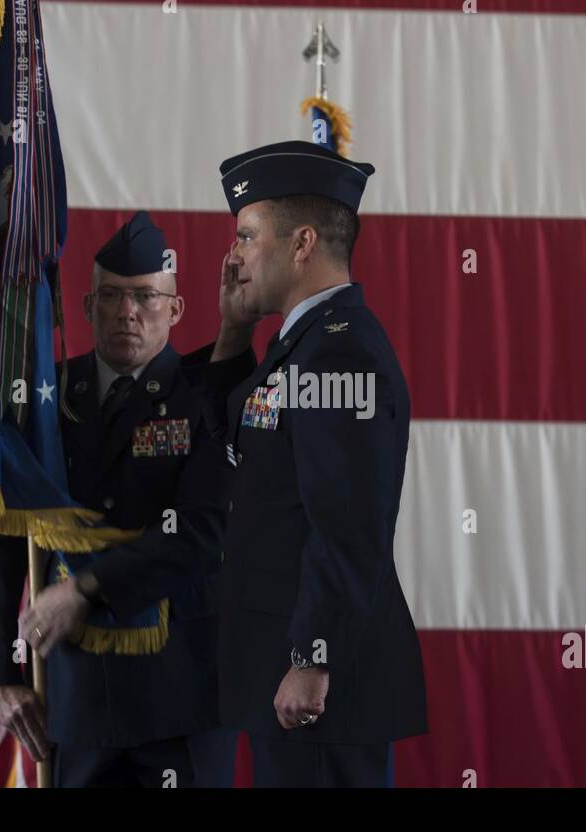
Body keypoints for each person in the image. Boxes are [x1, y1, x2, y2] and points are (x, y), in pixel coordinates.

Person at [0, 211, 251, 787]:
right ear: (86, 307)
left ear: (174, 311)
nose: (128, 312)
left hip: (181, 697)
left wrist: (86, 589)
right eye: (112, 297)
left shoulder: (210, 401)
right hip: (71, 695)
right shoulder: (42, 402)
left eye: (146, 298)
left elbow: (202, 533)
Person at [200, 140, 428, 787]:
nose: (233, 255)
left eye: (247, 235)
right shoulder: (300, 344)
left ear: (301, 244)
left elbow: (348, 523)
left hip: (321, 688)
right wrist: (231, 334)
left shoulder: (339, 352)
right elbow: (232, 453)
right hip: (289, 676)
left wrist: (312, 656)